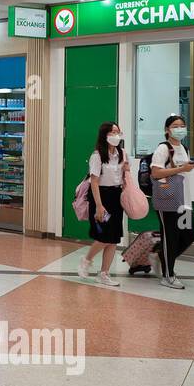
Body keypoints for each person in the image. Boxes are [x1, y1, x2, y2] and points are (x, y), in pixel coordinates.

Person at [78, 121, 128, 287]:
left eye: (118, 132)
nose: (116, 135)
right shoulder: (97, 155)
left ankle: (104, 273)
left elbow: (124, 176)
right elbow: (94, 182)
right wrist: (99, 206)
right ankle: (86, 260)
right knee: (104, 236)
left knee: (113, 238)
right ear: (105, 135)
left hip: (116, 197)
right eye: (113, 132)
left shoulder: (121, 154)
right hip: (101, 197)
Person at [150, 114, 194, 289]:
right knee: (170, 237)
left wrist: (187, 167)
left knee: (188, 234)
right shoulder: (163, 149)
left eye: (182, 125)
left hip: (184, 199)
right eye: (176, 126)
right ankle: (168, 275)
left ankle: (160, 256)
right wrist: (181, 168)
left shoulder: (184, 147)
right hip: (168, 200)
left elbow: (181, 171)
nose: (180, 129)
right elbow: (155, 173)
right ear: (167, 130)